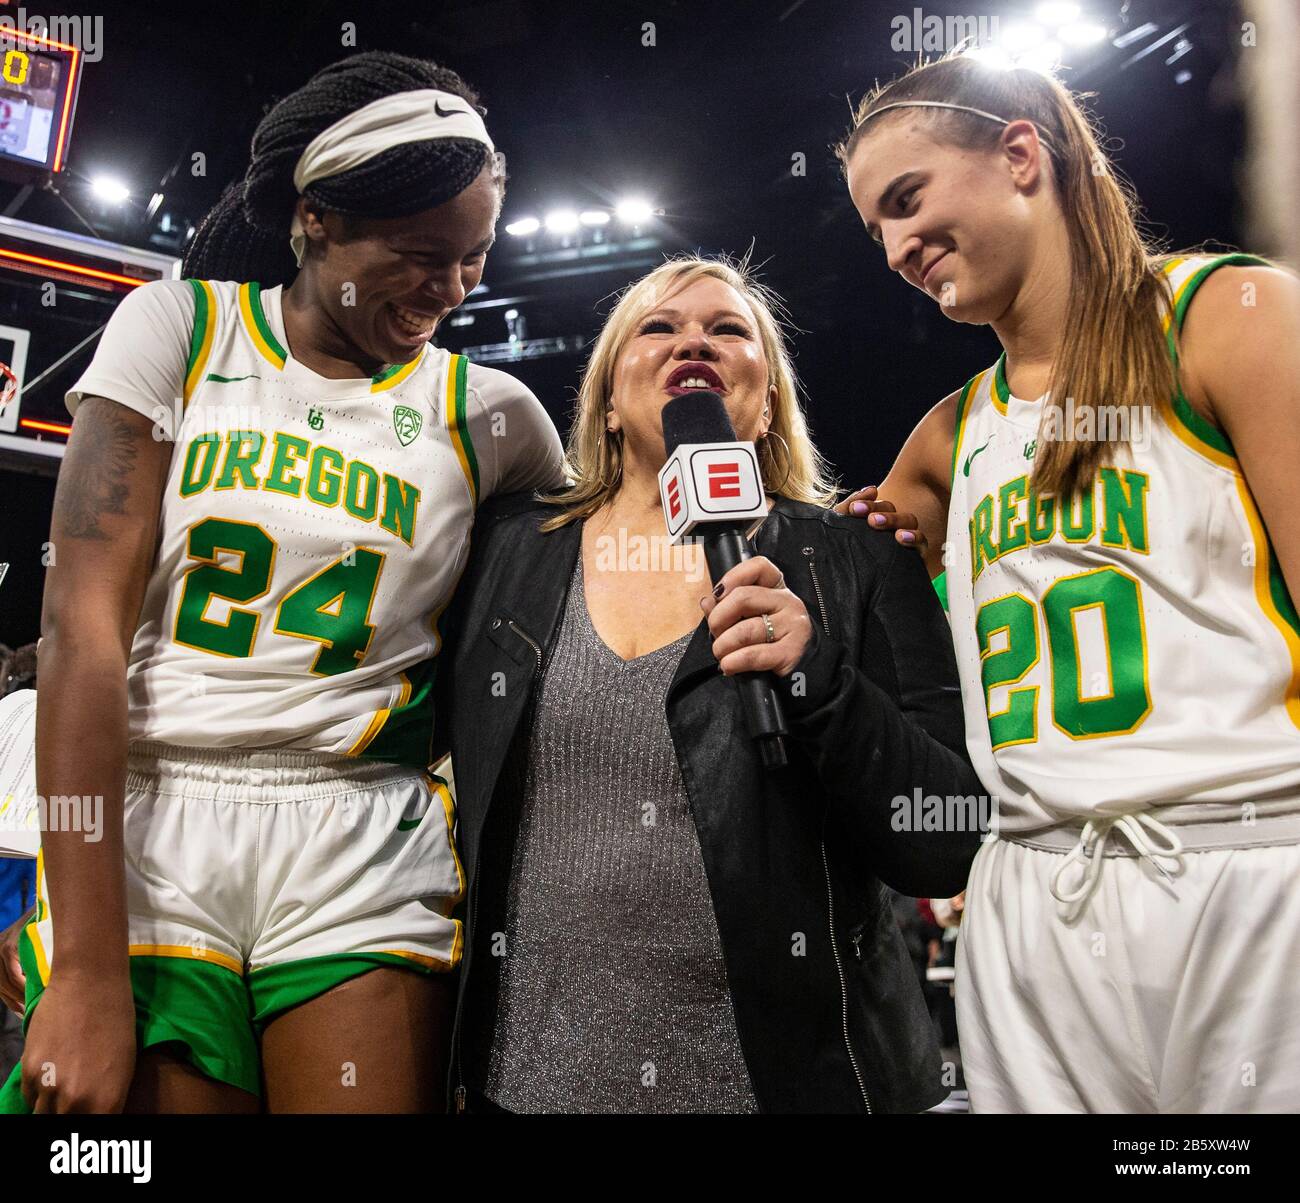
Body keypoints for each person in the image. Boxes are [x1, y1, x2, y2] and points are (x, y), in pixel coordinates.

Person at [0, 50, 563, 1114]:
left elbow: (610, 576)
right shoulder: (181, 330)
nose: (448, 288)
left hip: (363, 824)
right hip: (154, 817)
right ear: (314, 222)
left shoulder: (493, 413)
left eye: (473, 257)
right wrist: (82, 971)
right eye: (415, 255)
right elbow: (80, 632)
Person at [837, 52, 1300, 1112]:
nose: (899, 247)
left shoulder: (1227, 317)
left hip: (1248, 861)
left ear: (1017, 153)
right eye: (877, 231)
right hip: (1030, 893)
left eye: (907, 201)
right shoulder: (947, 439)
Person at [435, 254, 985, 1114]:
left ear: (766, 405)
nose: (694, 339)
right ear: (608, 403)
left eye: (729, 330)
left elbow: (945, 836)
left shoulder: (858, 555)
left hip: (791, 1089)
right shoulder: (505, 549)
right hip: (525, 1088)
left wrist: (819, 679)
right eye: (659, 327)